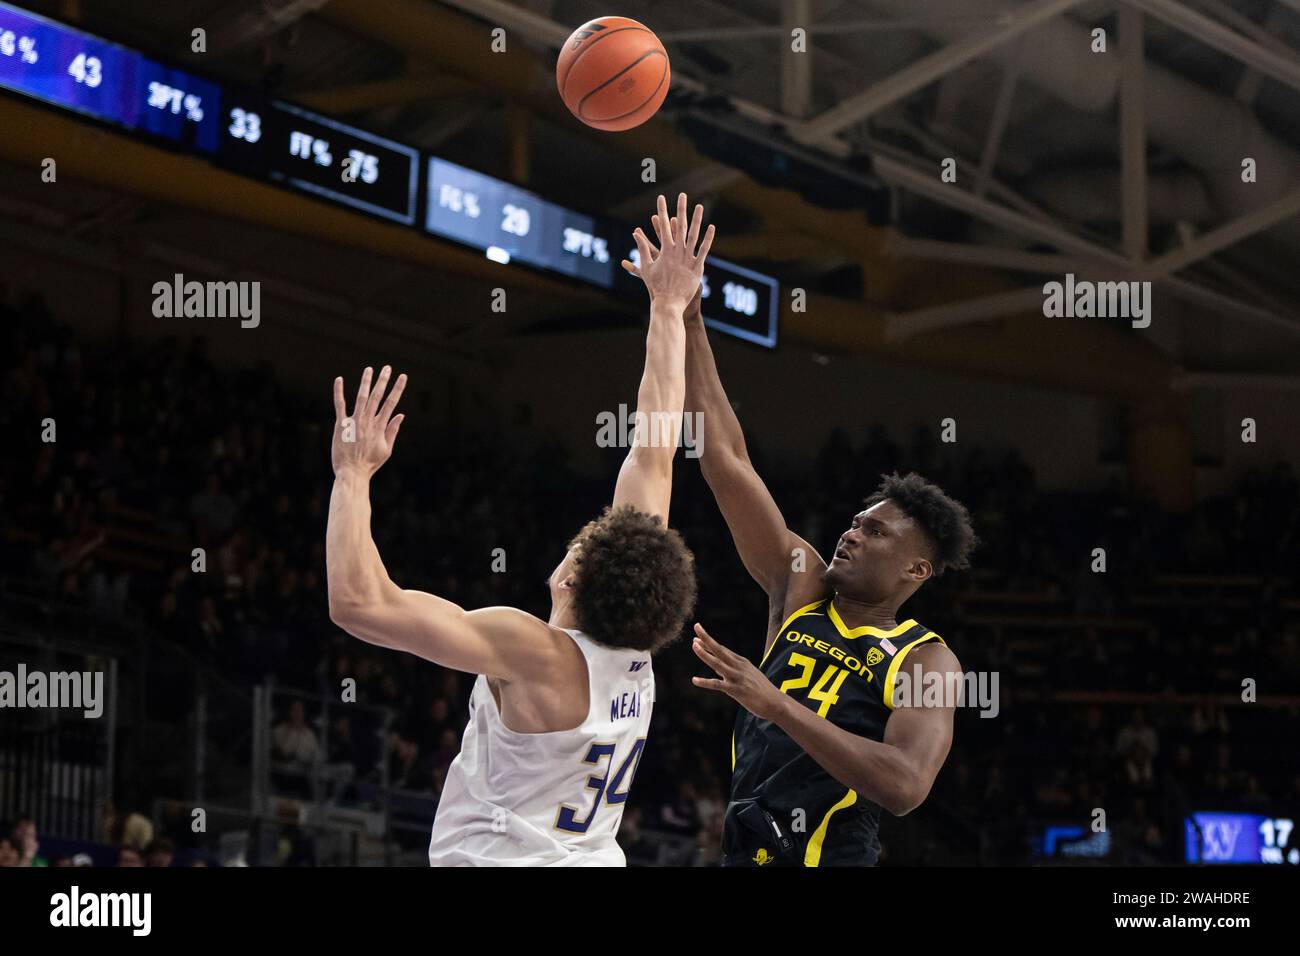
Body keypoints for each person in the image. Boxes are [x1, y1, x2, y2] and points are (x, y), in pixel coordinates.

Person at [327, 194, 712, 866]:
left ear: (573, 574)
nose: (589, 527)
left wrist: (353, 476)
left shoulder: (535, 650)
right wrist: (666, 308)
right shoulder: (634, 648)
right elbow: (654, 445)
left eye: (588, 536)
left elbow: (359, 605)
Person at [679, 256, 978, 866]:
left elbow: (903, 786)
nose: (851, 533)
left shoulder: (926, 659)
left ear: (916, 571)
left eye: (875, 532)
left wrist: (776, 705)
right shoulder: (802, 584)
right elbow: (726, 460)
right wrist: (687, 318)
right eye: (853, 522)